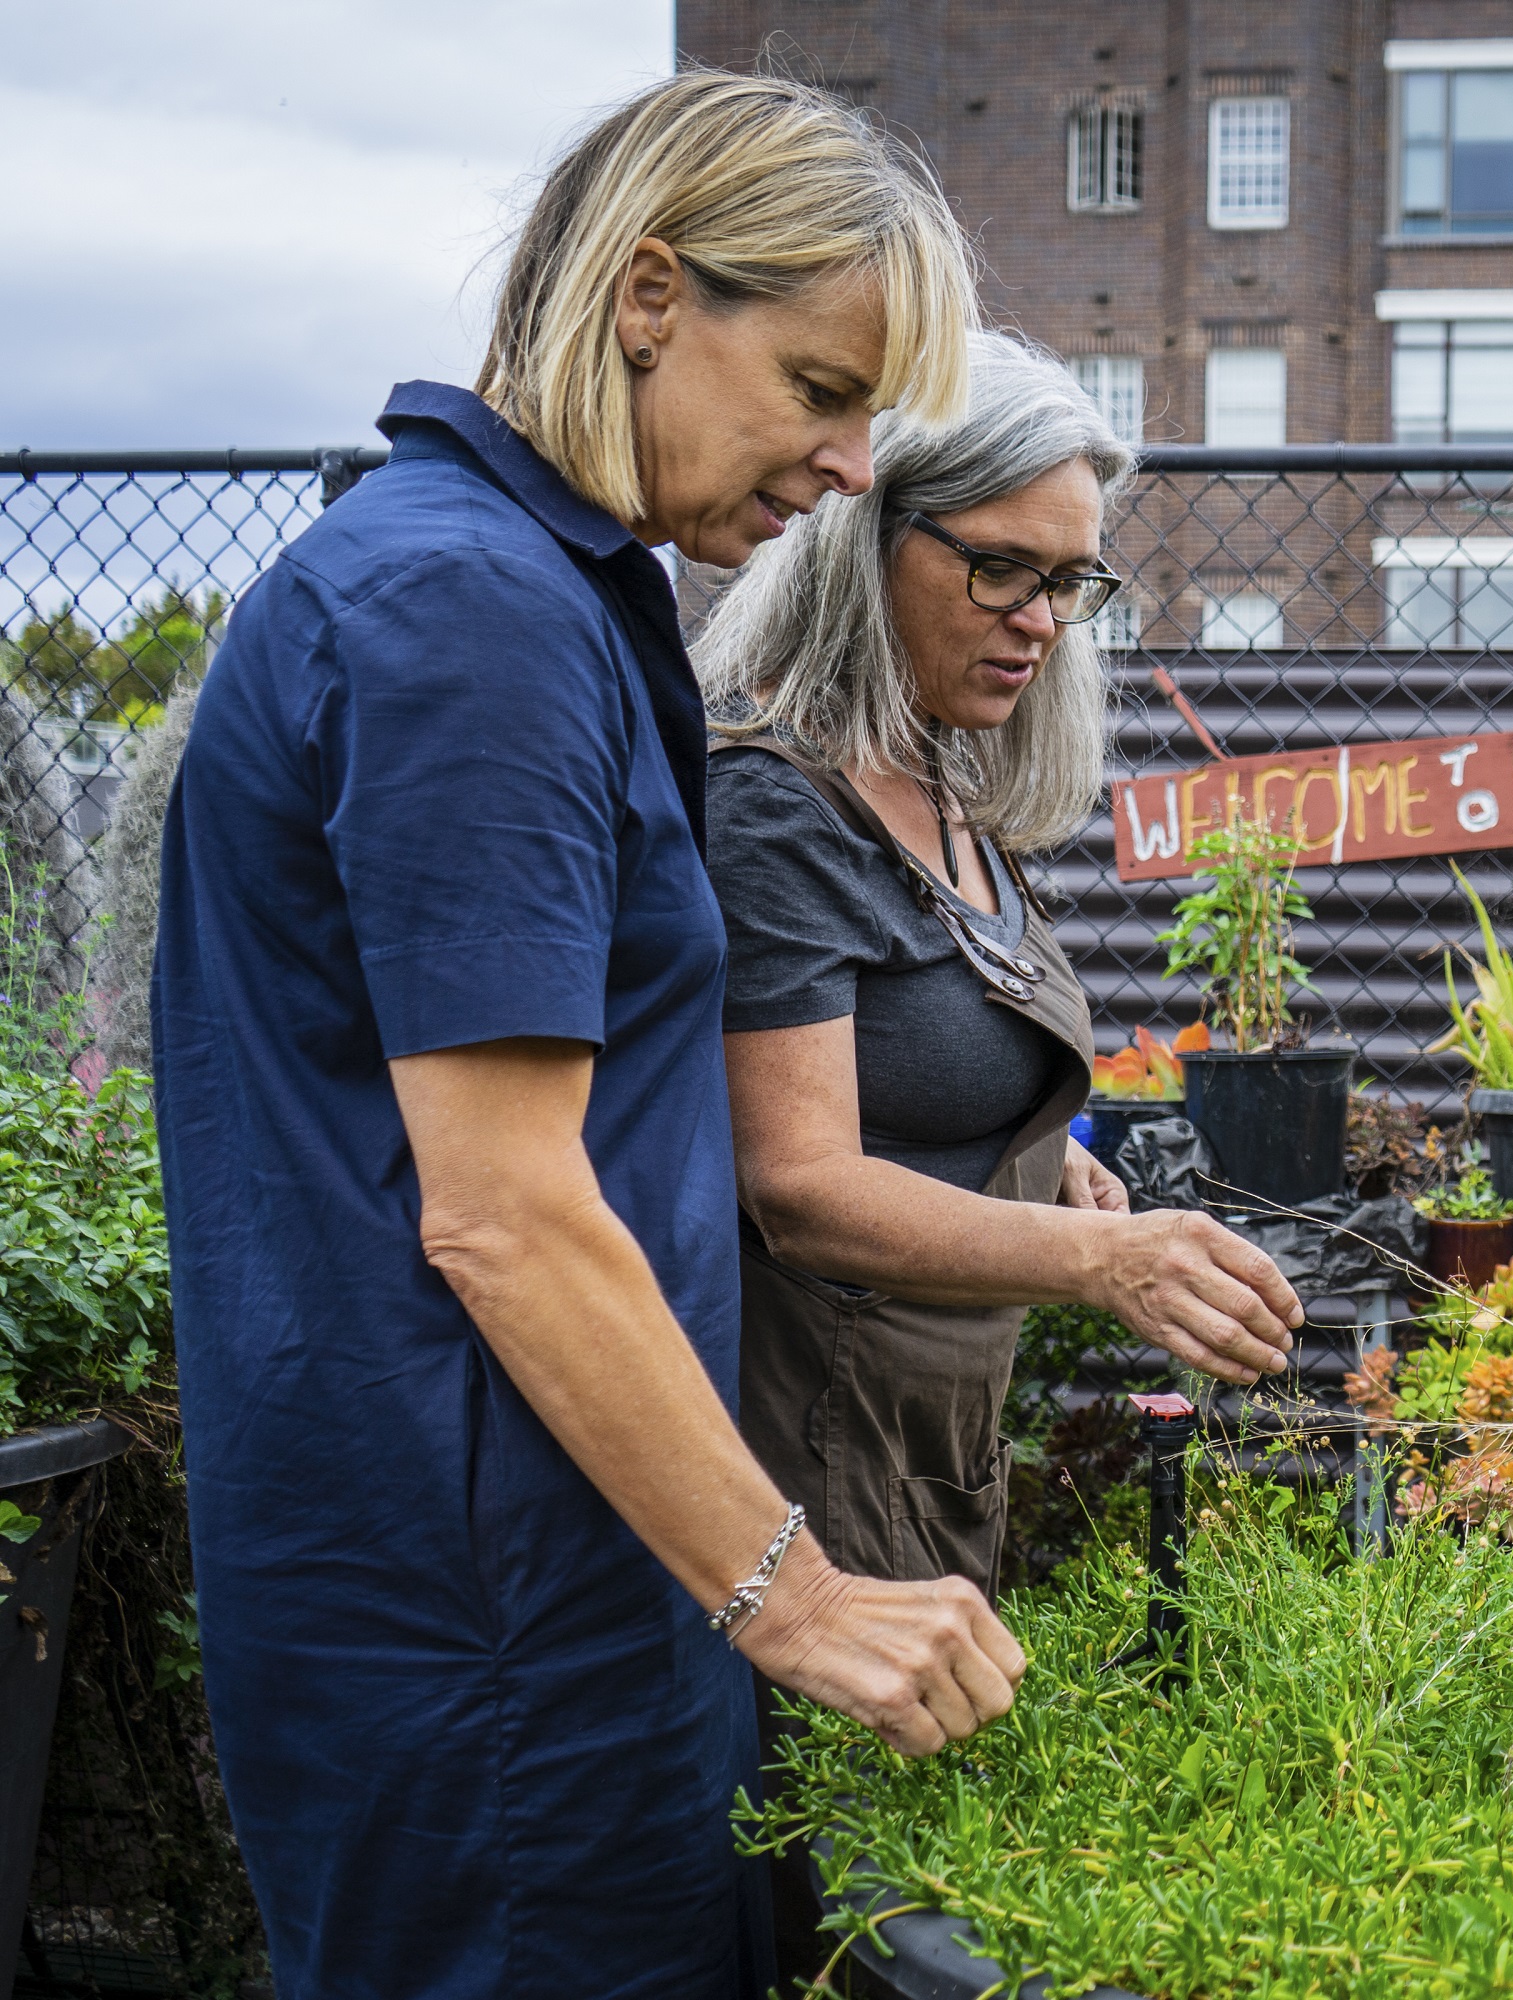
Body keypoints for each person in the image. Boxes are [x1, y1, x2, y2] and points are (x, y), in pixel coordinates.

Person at [151, 74, 1023, 1999]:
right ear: (647, 295)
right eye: (819, 386)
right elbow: (505, 1214)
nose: (853, 464)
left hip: (551, 1581)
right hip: (497, 1637)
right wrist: (798, 1597)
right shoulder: (467, 613)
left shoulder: (525, 583)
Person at [695, 331, 1299, 1594]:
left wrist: (1049, 1156)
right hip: (815, 1444)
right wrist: (1107, 1263)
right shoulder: (775, 807)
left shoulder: (938, 768)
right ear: (866, 540)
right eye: (999, 569)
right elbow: (797, 1180)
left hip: (934, 1428)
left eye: (1071, 581)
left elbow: (917, 1049)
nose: (1041, 624)